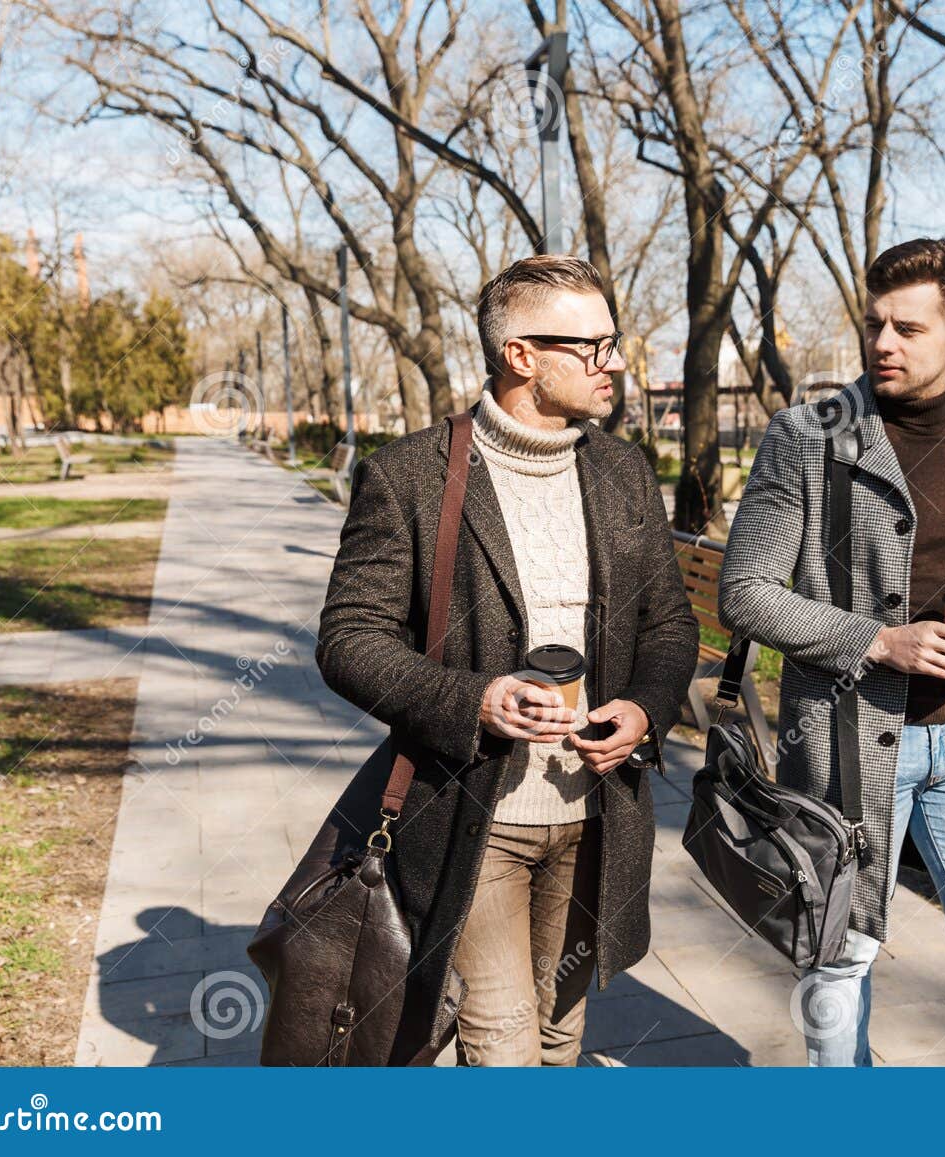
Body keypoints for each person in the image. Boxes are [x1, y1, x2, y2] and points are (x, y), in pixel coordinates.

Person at [314, 254, 698, 1066]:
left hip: (598, 813)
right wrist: (475, 700)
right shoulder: (410, 475)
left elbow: (669, 625)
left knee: (561, 1032)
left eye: (614, 341)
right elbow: (348, 638)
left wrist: (644, 710)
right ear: (521, 353)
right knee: (502, 1041)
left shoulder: (625, 472)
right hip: (471, 811)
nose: (616, 363)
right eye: (593, 347)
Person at [717, 236, 945, 1066]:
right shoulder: (807, 436)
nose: (883, 343)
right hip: (850, 748)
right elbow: (746, 591)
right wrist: (879, 641)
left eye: (908, 327)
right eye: (875, 324)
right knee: (840, 963)